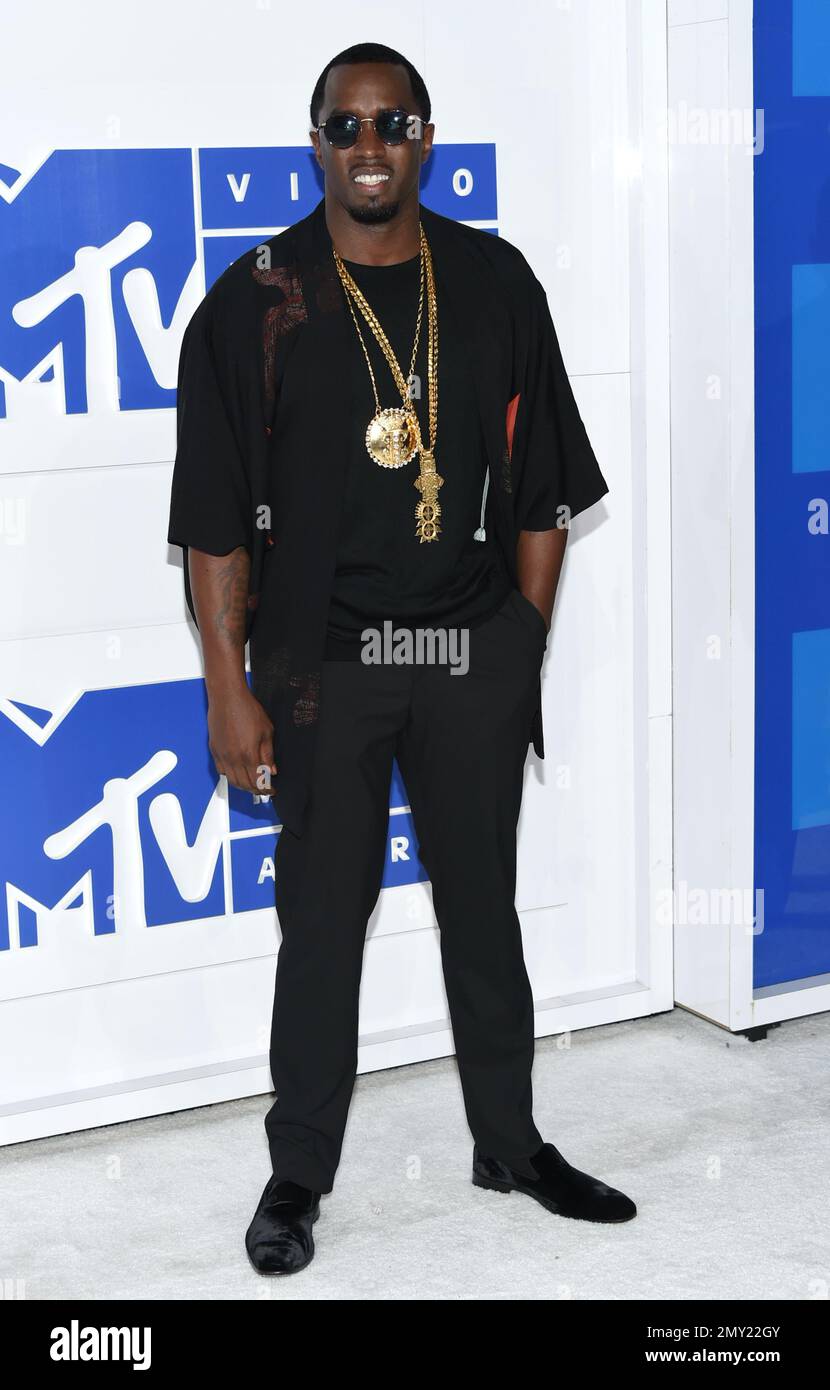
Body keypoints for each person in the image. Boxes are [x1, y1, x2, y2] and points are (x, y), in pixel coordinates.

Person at [167, 41, 636, 1277]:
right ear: (314, 142)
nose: (369, 147)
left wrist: (519, 645)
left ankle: (510, 1143)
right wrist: (230, 686)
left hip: (467, 646)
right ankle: (297, 1171)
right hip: (324, 662)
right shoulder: (253, 302)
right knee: (322, 922)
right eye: (346, 125)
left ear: (425, 139)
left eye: (394, 122)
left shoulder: (491, 283)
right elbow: (214, 523)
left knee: (484, 908)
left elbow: (542, 494)